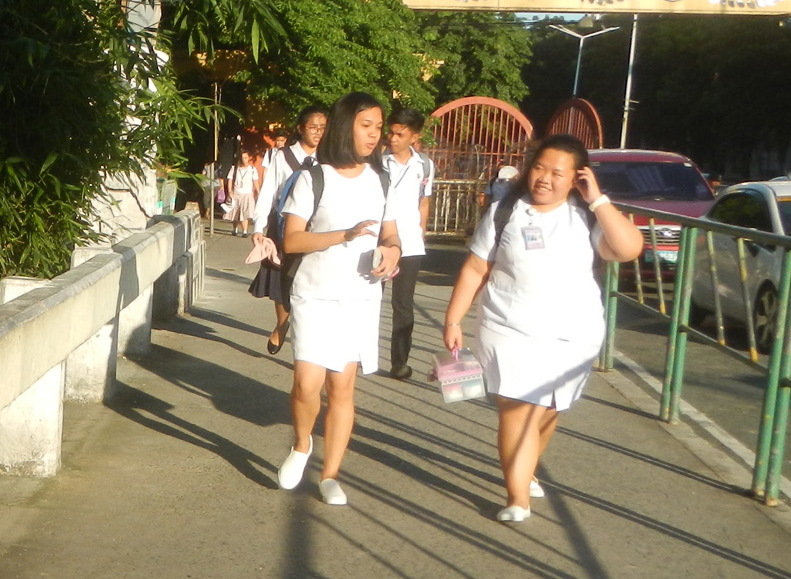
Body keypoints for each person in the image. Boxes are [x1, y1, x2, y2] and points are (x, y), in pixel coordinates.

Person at [442, 134, 645, 523]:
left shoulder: (586, 217)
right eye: (539, 167)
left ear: (576, 178)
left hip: (573, 336)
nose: (545, 178)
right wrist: (453, 319)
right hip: (508, 327)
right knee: (519, 410)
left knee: (548, 410)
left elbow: (628, 249)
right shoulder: (506, 211)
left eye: (557, 172)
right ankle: (518, 498)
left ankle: (526, 467)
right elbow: (475, 268)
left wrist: (598, 199)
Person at [276, 93, 403, 505]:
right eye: (366, 125)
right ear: (346, 124)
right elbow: (292, 240)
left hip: (359, 297)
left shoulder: (382, 178)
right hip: (314, 294)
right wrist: (344, 235)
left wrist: (393, 251)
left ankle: (330, 475)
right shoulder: (316, 177)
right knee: (306, 384)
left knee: (341, 386)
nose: (374, 134)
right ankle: (301, 444)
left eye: (379, 127)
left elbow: (391, 232)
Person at [250, 105, 328, 355]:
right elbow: (268, 191)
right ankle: (282, 325)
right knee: (282, 280)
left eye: (323, 128)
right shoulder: (281, 156)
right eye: (313, 127)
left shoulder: (329, 158)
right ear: (300, 128)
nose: (318, 133)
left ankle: (307, 333)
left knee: (311, 278)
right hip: (283, 226)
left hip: (316, 228)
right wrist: (259, 226)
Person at [380, 108, 436, 379]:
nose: (392, 138)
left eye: (400, 134)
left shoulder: (424, 164)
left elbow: (424, 201)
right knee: (369, 298)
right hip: (378, 241)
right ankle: (356, 355)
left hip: (411, 243)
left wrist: (421, 230)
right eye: (390, 132)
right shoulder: (377, 162)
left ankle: (399, 361)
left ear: (415, 136)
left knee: (403, 305)